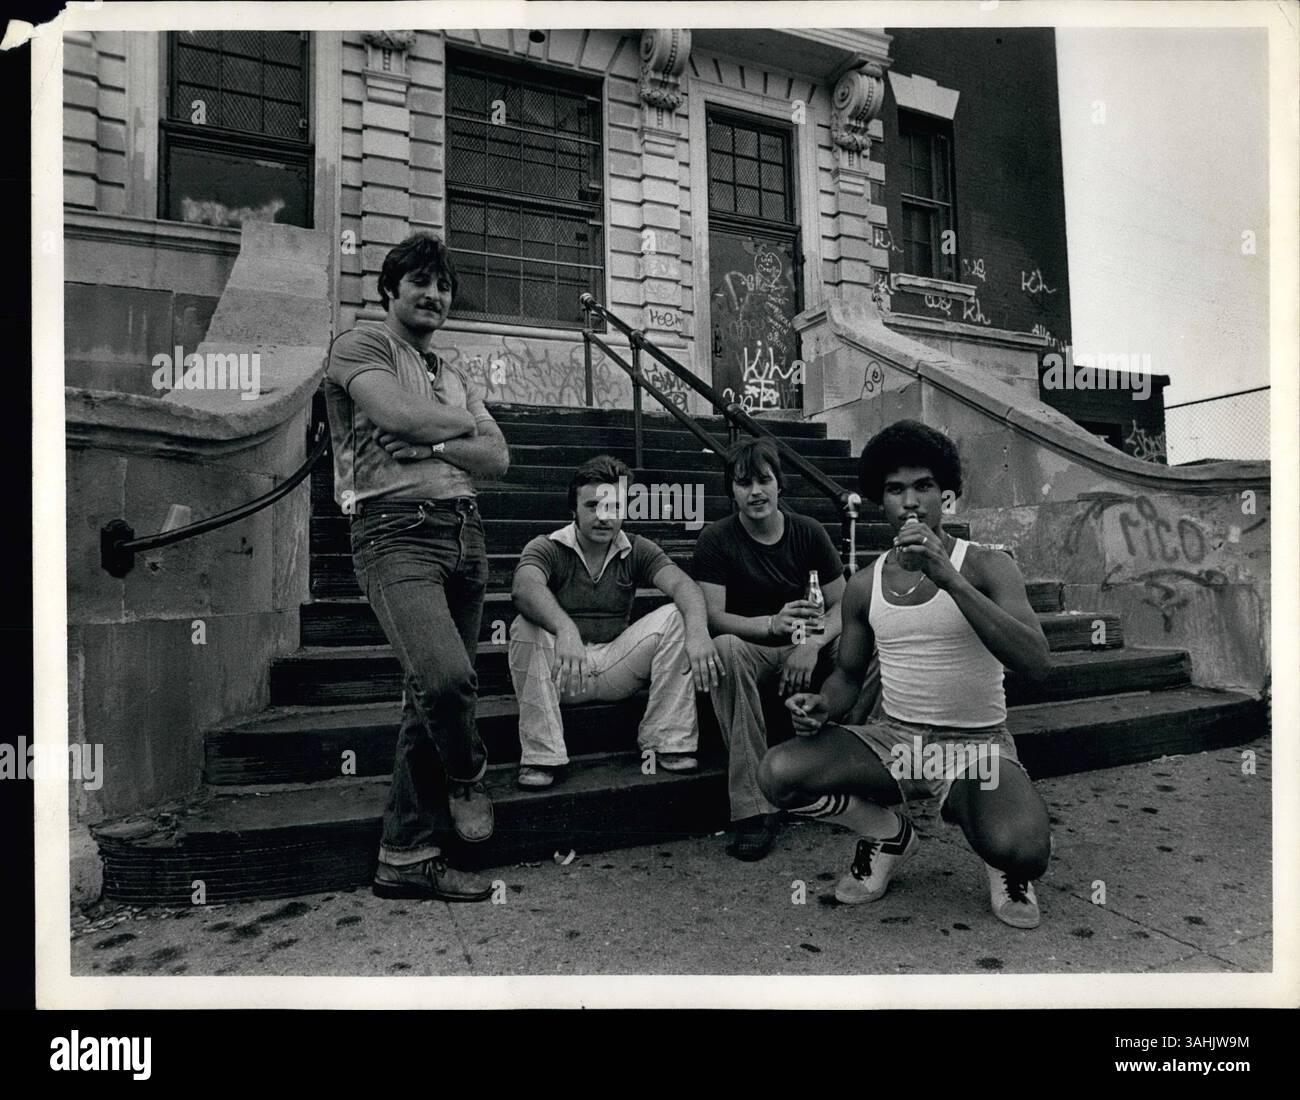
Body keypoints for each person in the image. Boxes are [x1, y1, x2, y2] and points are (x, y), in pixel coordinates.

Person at [759, 420, 1054, 928]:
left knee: (1023, 850)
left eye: (923, 487)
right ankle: (886, 834)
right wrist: (822, 705)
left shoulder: (986, 565)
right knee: (778, 774)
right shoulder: (864, 584)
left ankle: (997, 857)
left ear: (947, 495)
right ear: (881, 501)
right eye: (896, 490)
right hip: (896, 742)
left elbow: (1037, 661)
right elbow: (848, 677)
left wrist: (950, 579)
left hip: (975, 747)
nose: (911, 501)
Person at [323, 232, 509, 902]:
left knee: (423, 699)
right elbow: (392, 412)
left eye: (443, 286)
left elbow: (499, 460)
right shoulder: (362, 345)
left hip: (467, 534)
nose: (433, 295)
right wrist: (462, 428)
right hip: (394, 533)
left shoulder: (451, 370)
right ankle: (467, 773)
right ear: (390, 289)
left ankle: (404, 856)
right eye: (420, 283)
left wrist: (439, 433)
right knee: (448, 678)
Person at [509, 455, 721, 788]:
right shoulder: (547, 547)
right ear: (574, 510)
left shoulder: (637, 548)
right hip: (561, 672)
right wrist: (565, 629)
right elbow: (524, 589)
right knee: (524, 625)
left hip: (615, 667)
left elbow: (684, 586)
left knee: (680, 616)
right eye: (592, 505)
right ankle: (541, 755)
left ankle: (667, 740)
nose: (604, 515)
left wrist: (697, 632)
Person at [692, 438, 846, 861]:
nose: (755, 491)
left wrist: (811, 644)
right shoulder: (717, 539)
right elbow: (713, 618)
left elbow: (845, 603)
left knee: (859, 641)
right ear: (732, 491)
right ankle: (756, 807)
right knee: (724, 647)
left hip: (803, 650)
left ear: (780, 484)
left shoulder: (808, 532)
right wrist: (770, 624)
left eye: (764, 480)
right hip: (752, 649)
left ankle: (854, 773)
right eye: (743, 483)